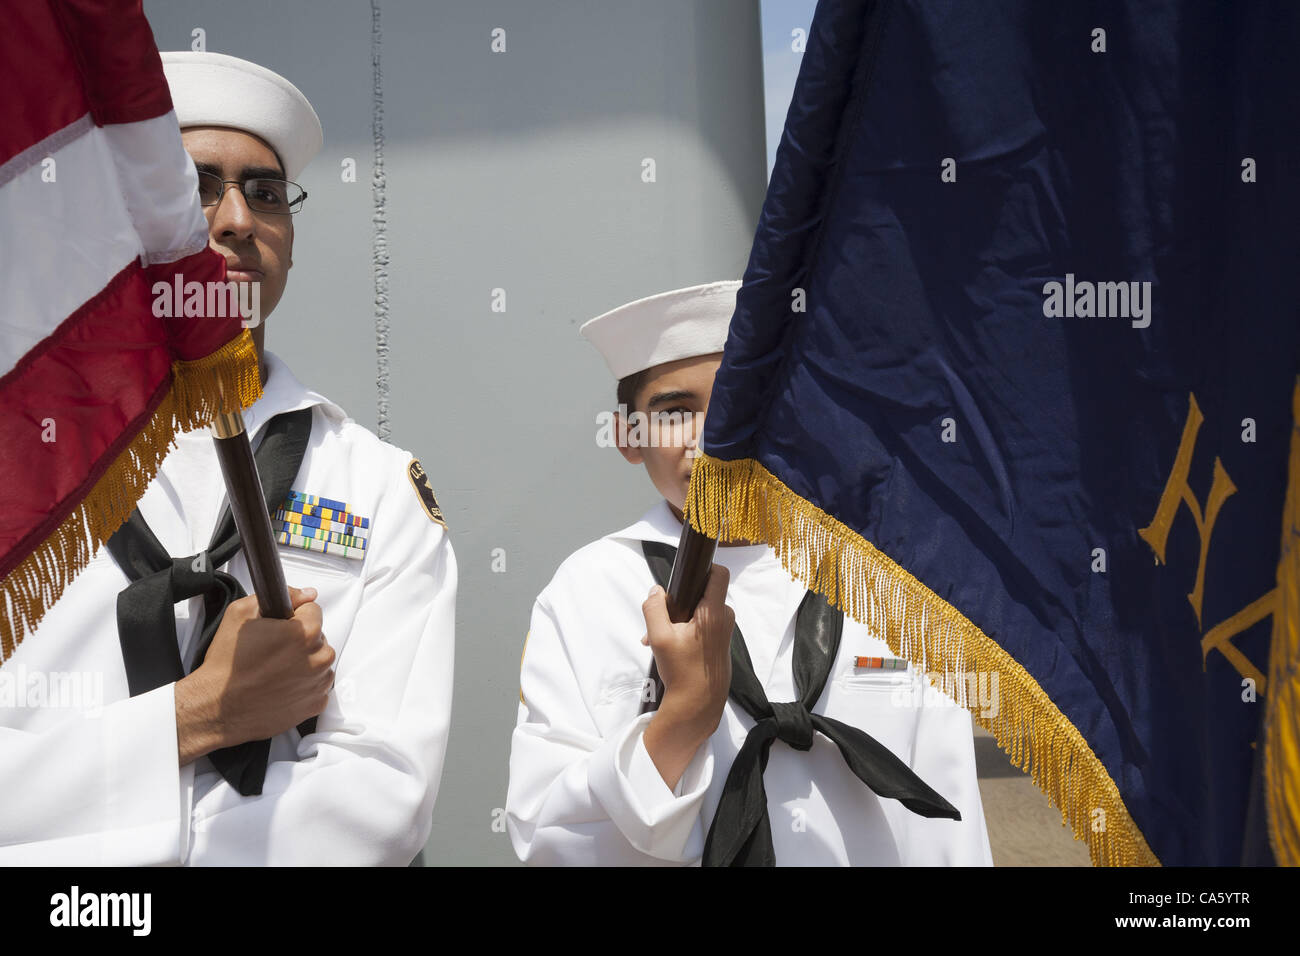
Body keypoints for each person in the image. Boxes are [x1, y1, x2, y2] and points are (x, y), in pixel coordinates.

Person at [0, 52, 456, 865]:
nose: (238, 218)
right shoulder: (15, 465)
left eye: (266, 193)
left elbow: (382, 799)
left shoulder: (375, 485)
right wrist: (194, 716)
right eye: (195, 185)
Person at [505, 280, 992, 865]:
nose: (715, 440)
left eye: (748, 405)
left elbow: (947, 813)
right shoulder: (588, 590)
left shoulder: (892, 580)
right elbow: (547, 838)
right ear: (625, 437)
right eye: (676, 411)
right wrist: (681, 719)